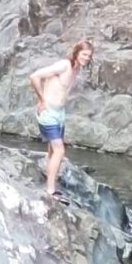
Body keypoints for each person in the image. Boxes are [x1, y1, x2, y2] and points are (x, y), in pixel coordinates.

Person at [29, 40, 94, 198]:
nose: (87, 58)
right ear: (76, 53)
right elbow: (35, 76)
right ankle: (51, 190)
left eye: (89, 56)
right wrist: (42, 99)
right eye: (84, 54)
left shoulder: (76, 69)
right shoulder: (64, 65)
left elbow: (52, 83)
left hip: (60, 113)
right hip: (48, 113)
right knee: (60, 150)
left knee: (53, 150)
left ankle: (50, 179)